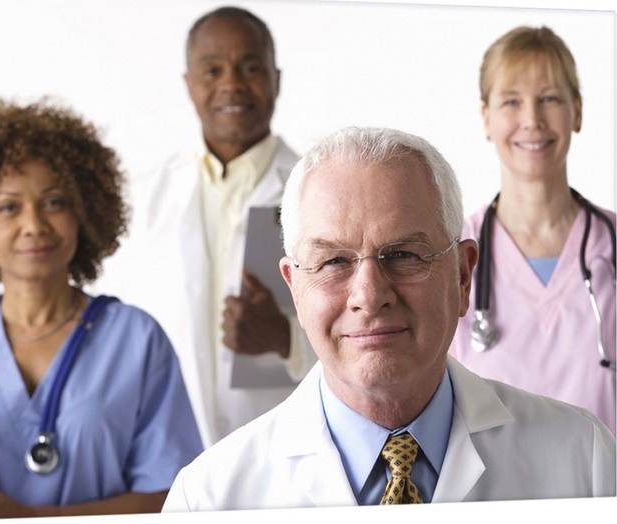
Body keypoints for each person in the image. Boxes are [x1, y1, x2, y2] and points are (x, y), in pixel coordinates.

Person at [161, 126, 616, 511]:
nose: (369, 295)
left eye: (402, 254)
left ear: (462, 276)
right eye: (334, 262)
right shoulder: (207, 499)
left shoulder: (583, 460)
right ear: (295, 289)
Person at [0, 98, 203, 521]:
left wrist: (25, 517)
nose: (33, 224)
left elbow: (174, 498)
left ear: (84, 213)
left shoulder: (136, 340)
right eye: (8, 207)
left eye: (54, 202)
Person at [95, 6, 316, 447]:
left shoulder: (320, 191)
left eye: (250, 67)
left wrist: (286, 338)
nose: (231, 83)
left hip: (285, 443)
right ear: (189, 85)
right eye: (212, 70)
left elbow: (365, 327)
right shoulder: (141, 197)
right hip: (163, 447)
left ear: (277, 79)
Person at [447, 26, 616, 435]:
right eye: (511, 101)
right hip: (496, 496)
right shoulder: (450, 254)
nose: (532, 120)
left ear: (577, 110)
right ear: (486, 118)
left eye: (549, 99)